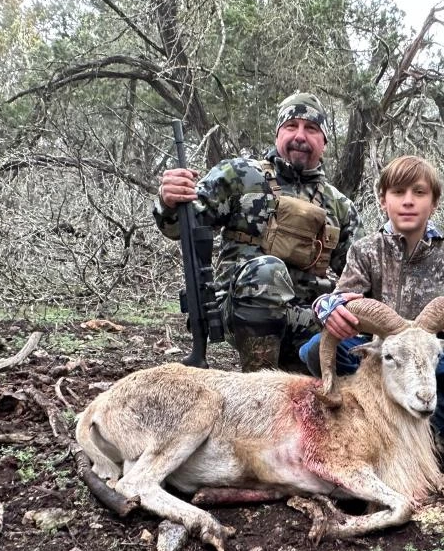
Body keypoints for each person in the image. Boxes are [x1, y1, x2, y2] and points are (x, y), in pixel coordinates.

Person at [299, 155, 444, 458]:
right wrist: (327, 308)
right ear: (383, 200)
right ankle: (368, 418)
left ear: (434, 203)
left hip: (434, 358)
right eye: (398, 192)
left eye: (419, 192)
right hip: (386, 359)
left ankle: (443, 427)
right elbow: (342, 297)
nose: (408, 201)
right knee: (315, 348)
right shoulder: (366, 250)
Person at [154, 92, 360, 371]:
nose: (300, 136)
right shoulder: (240, 174)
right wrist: (169, 200)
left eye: (311, 129)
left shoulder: (340, 205)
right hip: (243, 309)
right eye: (291, 126)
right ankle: (259, 384)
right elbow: (180, 228)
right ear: (277, 134)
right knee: (266, 272)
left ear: (324, 142)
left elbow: (360, 275)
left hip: (311, 317)